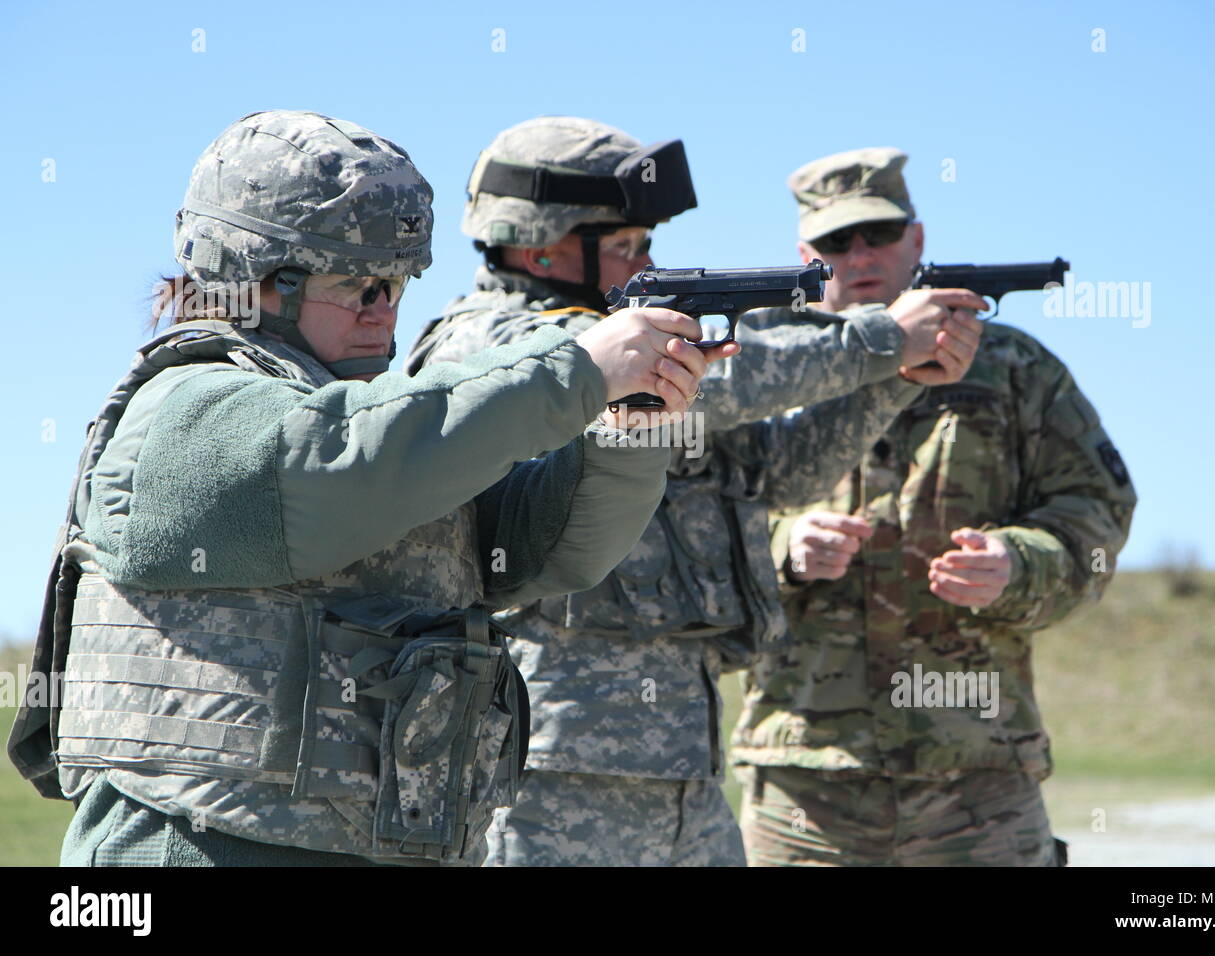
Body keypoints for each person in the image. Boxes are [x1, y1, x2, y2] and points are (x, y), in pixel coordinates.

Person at [6, 109, 724, 867]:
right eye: (355, 285)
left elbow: (544, 554)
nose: (384, 312)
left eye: (397, 284)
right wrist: (573, 368)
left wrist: (625, 431)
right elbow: (336, 466)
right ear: (259, 281)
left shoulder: (388, 427)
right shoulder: (186, 406)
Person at [407, 118, 984, 866]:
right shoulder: (491, 341)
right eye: (627, 244)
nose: (649, 262)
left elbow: (785, 471)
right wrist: (879, 340)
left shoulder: (626, 342)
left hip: (684, 761)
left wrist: (899, 380)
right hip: (545, 763)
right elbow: (719, 380)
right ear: (540, 244)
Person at [731, 147, 1138, 866]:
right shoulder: (757, 372)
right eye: (835, 241)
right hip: (805, 780)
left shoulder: (1016, 370)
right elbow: (688, 511)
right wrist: (783, 547)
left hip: (977, 777)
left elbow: (1097, 515)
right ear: (805, 255)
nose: (858, 255)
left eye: (878, 234)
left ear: (916, 240)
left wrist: (1019, 564)